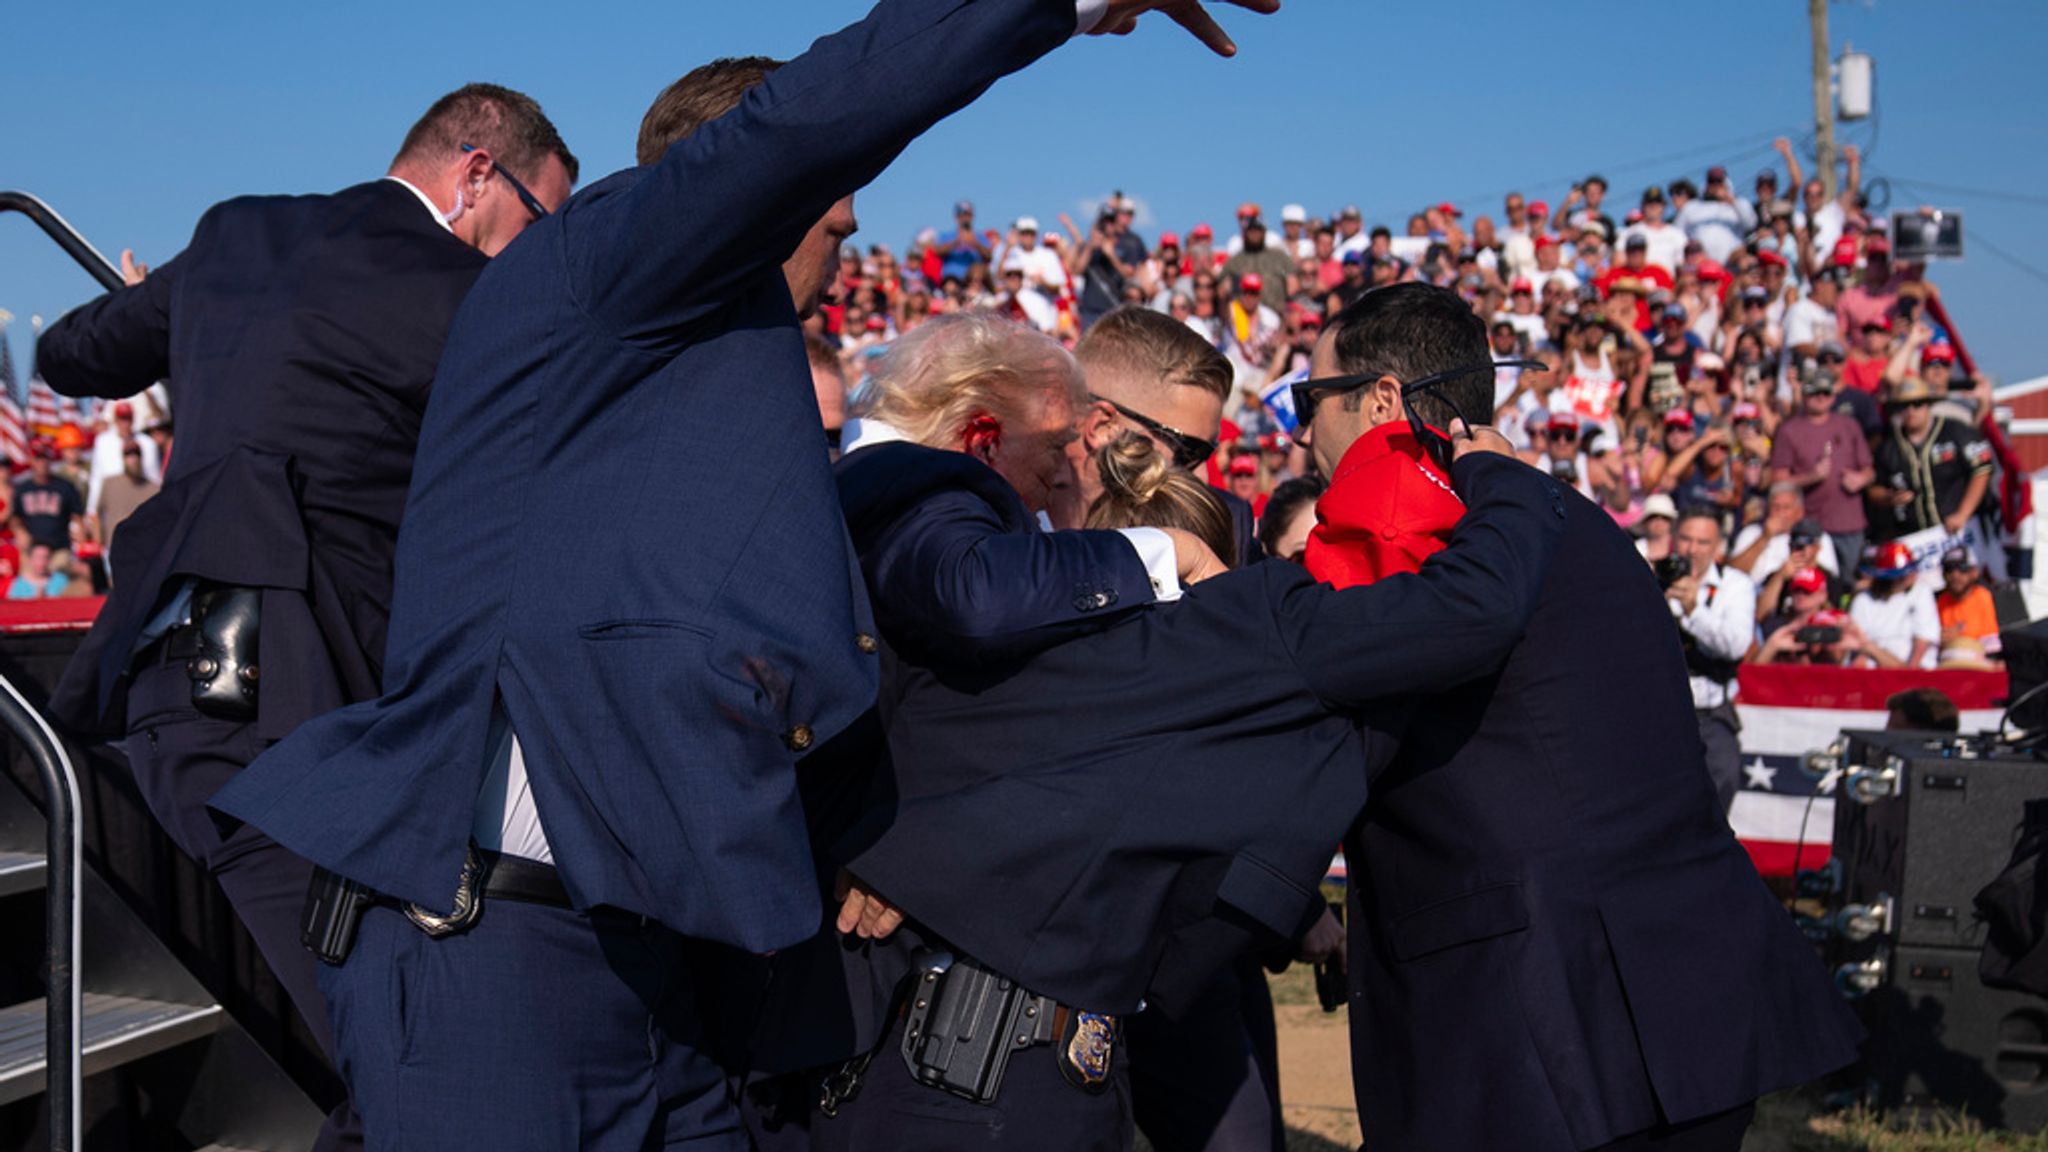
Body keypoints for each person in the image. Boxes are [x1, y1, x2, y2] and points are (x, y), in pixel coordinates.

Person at [213, 5, 1278, 1149]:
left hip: (655, 966)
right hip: (499, 947)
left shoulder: (684, 380)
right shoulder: (607, 254)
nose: (844, 253)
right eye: (830, 222)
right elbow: (801, 128)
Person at [797, 312, 1555, 1151]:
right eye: (1182, 448)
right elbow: (962, 662)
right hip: (938, 1025)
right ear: (1092, 421)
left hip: (1082, 1012)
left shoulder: (1162, 563)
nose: (1197, 466)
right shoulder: (959, 519)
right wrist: (1507, 477)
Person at [35, 83, 574, 1152]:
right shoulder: (472, 299)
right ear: (477, 173)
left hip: (183, 690)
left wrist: (192, 317)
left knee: (408, 1061)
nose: (534, 252)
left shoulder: (240, 235)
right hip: (300, 715)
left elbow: (70, 356)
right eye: (538, 220)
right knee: (415, 1070)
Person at [1292, 282, 1859, 1152]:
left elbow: (1335, 735)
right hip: (1683, 995)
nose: (1301, 430)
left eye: (1311, 399)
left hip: (1543, 1023)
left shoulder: (1419, 528)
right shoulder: (1570, 515)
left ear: (1380, 401)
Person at [1666, 508, 1757, 811]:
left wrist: (1694, 610)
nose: (1692, 550)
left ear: (1717, 546)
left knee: (1724, 782)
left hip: (1709, 711)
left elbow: (1736, 645)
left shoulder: (1735, 585)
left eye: (1703, 542)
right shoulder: (1651, 576)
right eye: (1686, 540)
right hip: (1659, 707)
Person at [1768, 367, 1873, 576]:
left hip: (1850, 524)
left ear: (1834, 396)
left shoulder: (1849, 425)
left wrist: (1860, 479)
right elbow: (1777, 480)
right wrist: (1811, 477)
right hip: (1811, 526)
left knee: (1849, 581)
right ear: (1804, 395)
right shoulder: (1789, 430)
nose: (1821, 398)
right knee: (1814, 580)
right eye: (1814, 392)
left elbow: (1869, 470)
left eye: (1826, 393)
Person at [1867, 376, 1992, 542]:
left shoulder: (1954, 431)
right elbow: (1873, 489)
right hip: (1913, 538)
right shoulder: (1889, 446)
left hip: (1957, 531)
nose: (1911, 411)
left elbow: (1981, 470)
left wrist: (1962, 514)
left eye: (1918, 404)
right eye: (1904, 406)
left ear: (1928, 405)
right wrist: (1889, 497)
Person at [1849, 541, 1940, 669]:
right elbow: (1859, 647)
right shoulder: (1863, 600)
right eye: (1904, 574)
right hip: (1875, 670)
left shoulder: (1921, 592)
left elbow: (1923, 639)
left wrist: (1910, 673)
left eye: (1911, 570)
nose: (1911, 575)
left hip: (1916, 669)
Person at [93, 437, 159, 555]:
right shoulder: (109, 483)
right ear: (123, 458)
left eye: (136, 455)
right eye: (128, 455)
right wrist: (99, 544)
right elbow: (96, 514)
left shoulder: (153, 489)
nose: (133, 459)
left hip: (143, 551)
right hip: (113, 550)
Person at [1936, 545, 2001, 657]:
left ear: (1974, 572)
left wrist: (1959, 639)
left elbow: (1992, 646)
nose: (1955, 575)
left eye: (1962, 568)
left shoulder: (1984, 596)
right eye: (1949, 569)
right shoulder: (1940, 602)